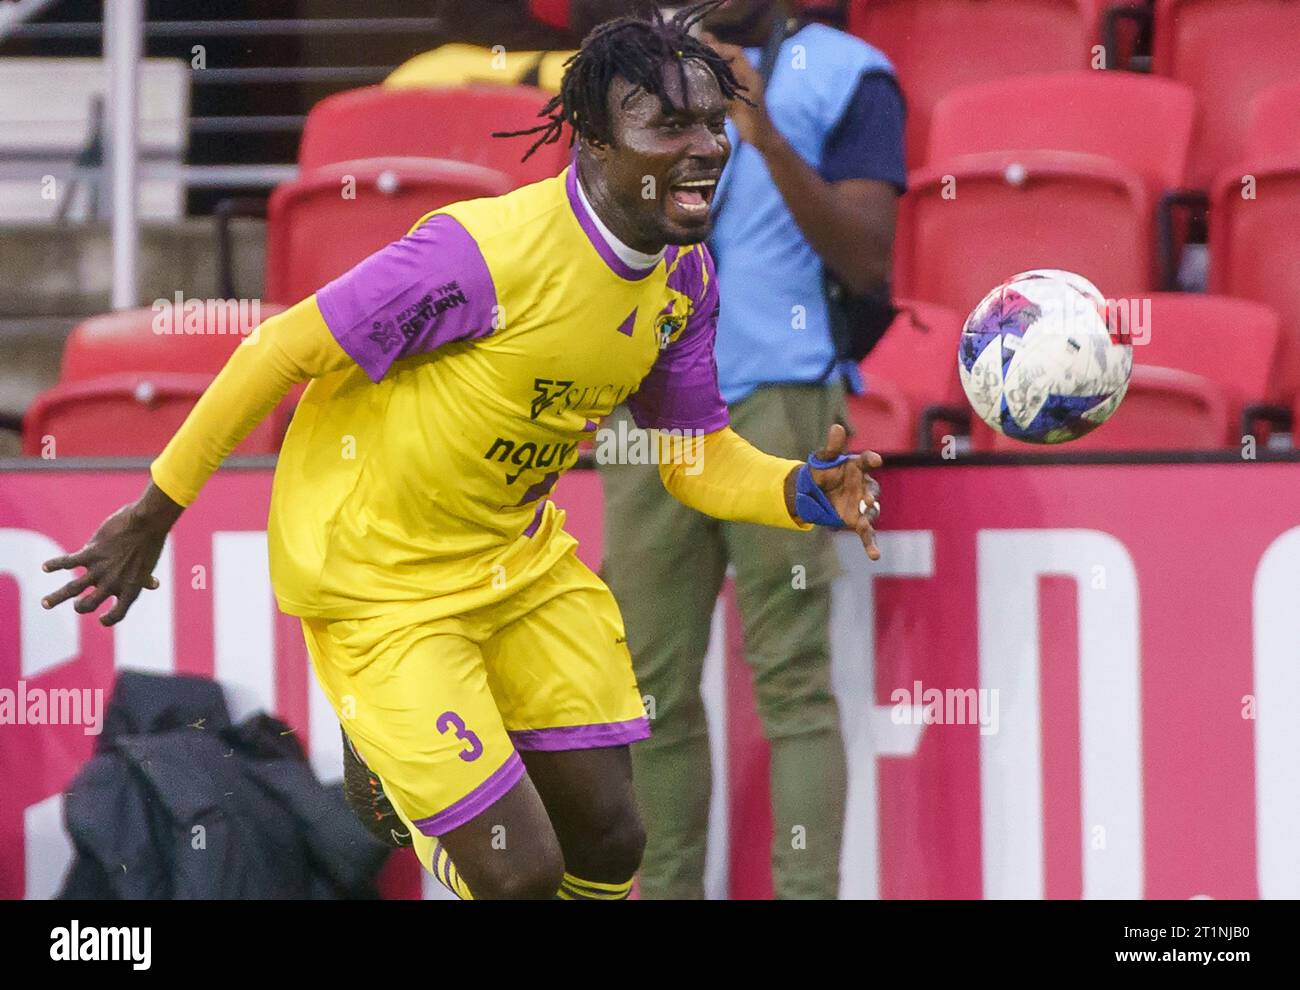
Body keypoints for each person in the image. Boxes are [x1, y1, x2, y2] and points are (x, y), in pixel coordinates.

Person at [39, 4, 882, 901]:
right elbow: (273, 351)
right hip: (381, 580)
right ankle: (394, 772)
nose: (707, 146)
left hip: (514, 564)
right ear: (594, 139)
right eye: (669, 124)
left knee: (611, 843)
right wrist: (154, 511)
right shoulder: (476, 258)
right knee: (520, 875)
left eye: (714, 122)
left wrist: (799, 488)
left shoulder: (684, 277)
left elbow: (693, 457)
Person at [600, 0, 904, 898]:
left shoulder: (849, 74)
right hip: (649, 407)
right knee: (645, 692)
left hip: (781, 399)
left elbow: (867, 258)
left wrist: (761, 130)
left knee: (792, 682)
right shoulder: (631, 73)